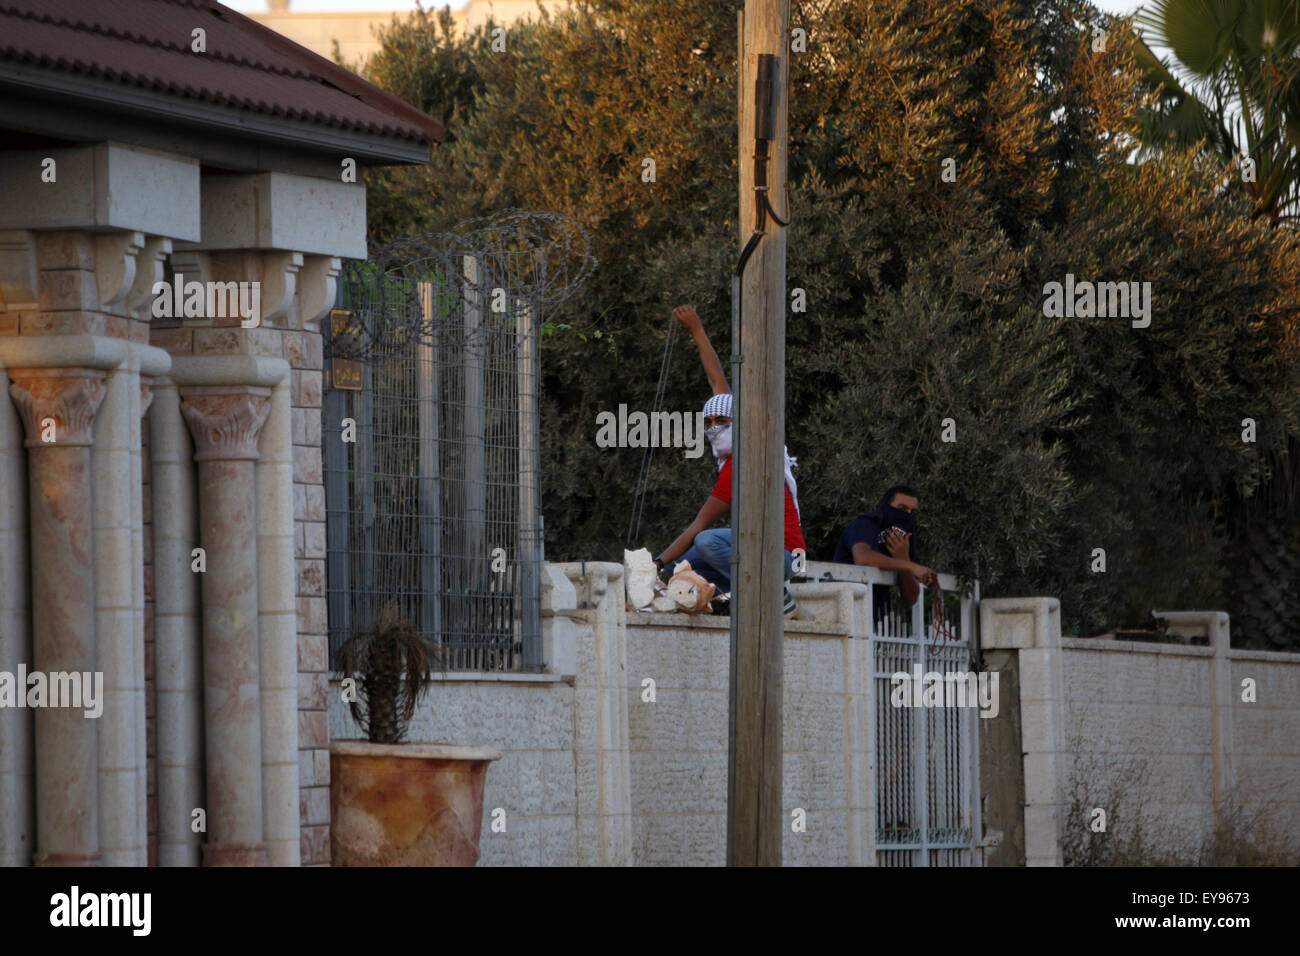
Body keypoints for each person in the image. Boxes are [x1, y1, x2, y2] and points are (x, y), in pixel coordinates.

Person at [652, 305, 804, 615]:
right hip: (759, 550)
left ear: (739, 421)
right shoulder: (738, 445)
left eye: (721, 420)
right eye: (708, 422)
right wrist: (697, 331)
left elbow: (700, 525)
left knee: (706, 541)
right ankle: (726, 599)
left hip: (785, 555)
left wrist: (656, 561)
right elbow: (716, 380)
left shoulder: (745, 461)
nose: (713, 428)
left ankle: (772, 594)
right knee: (683, 570)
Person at [833, 485, 937, 626]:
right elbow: (862, 557)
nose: (907, 514)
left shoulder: (906, 537)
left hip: (876, 619)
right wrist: (911, 566)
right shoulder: (866, 523)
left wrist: (903, 560)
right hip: (844, 610)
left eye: (913, 511)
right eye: (901, 509)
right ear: (887, 506)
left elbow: (911, 597)